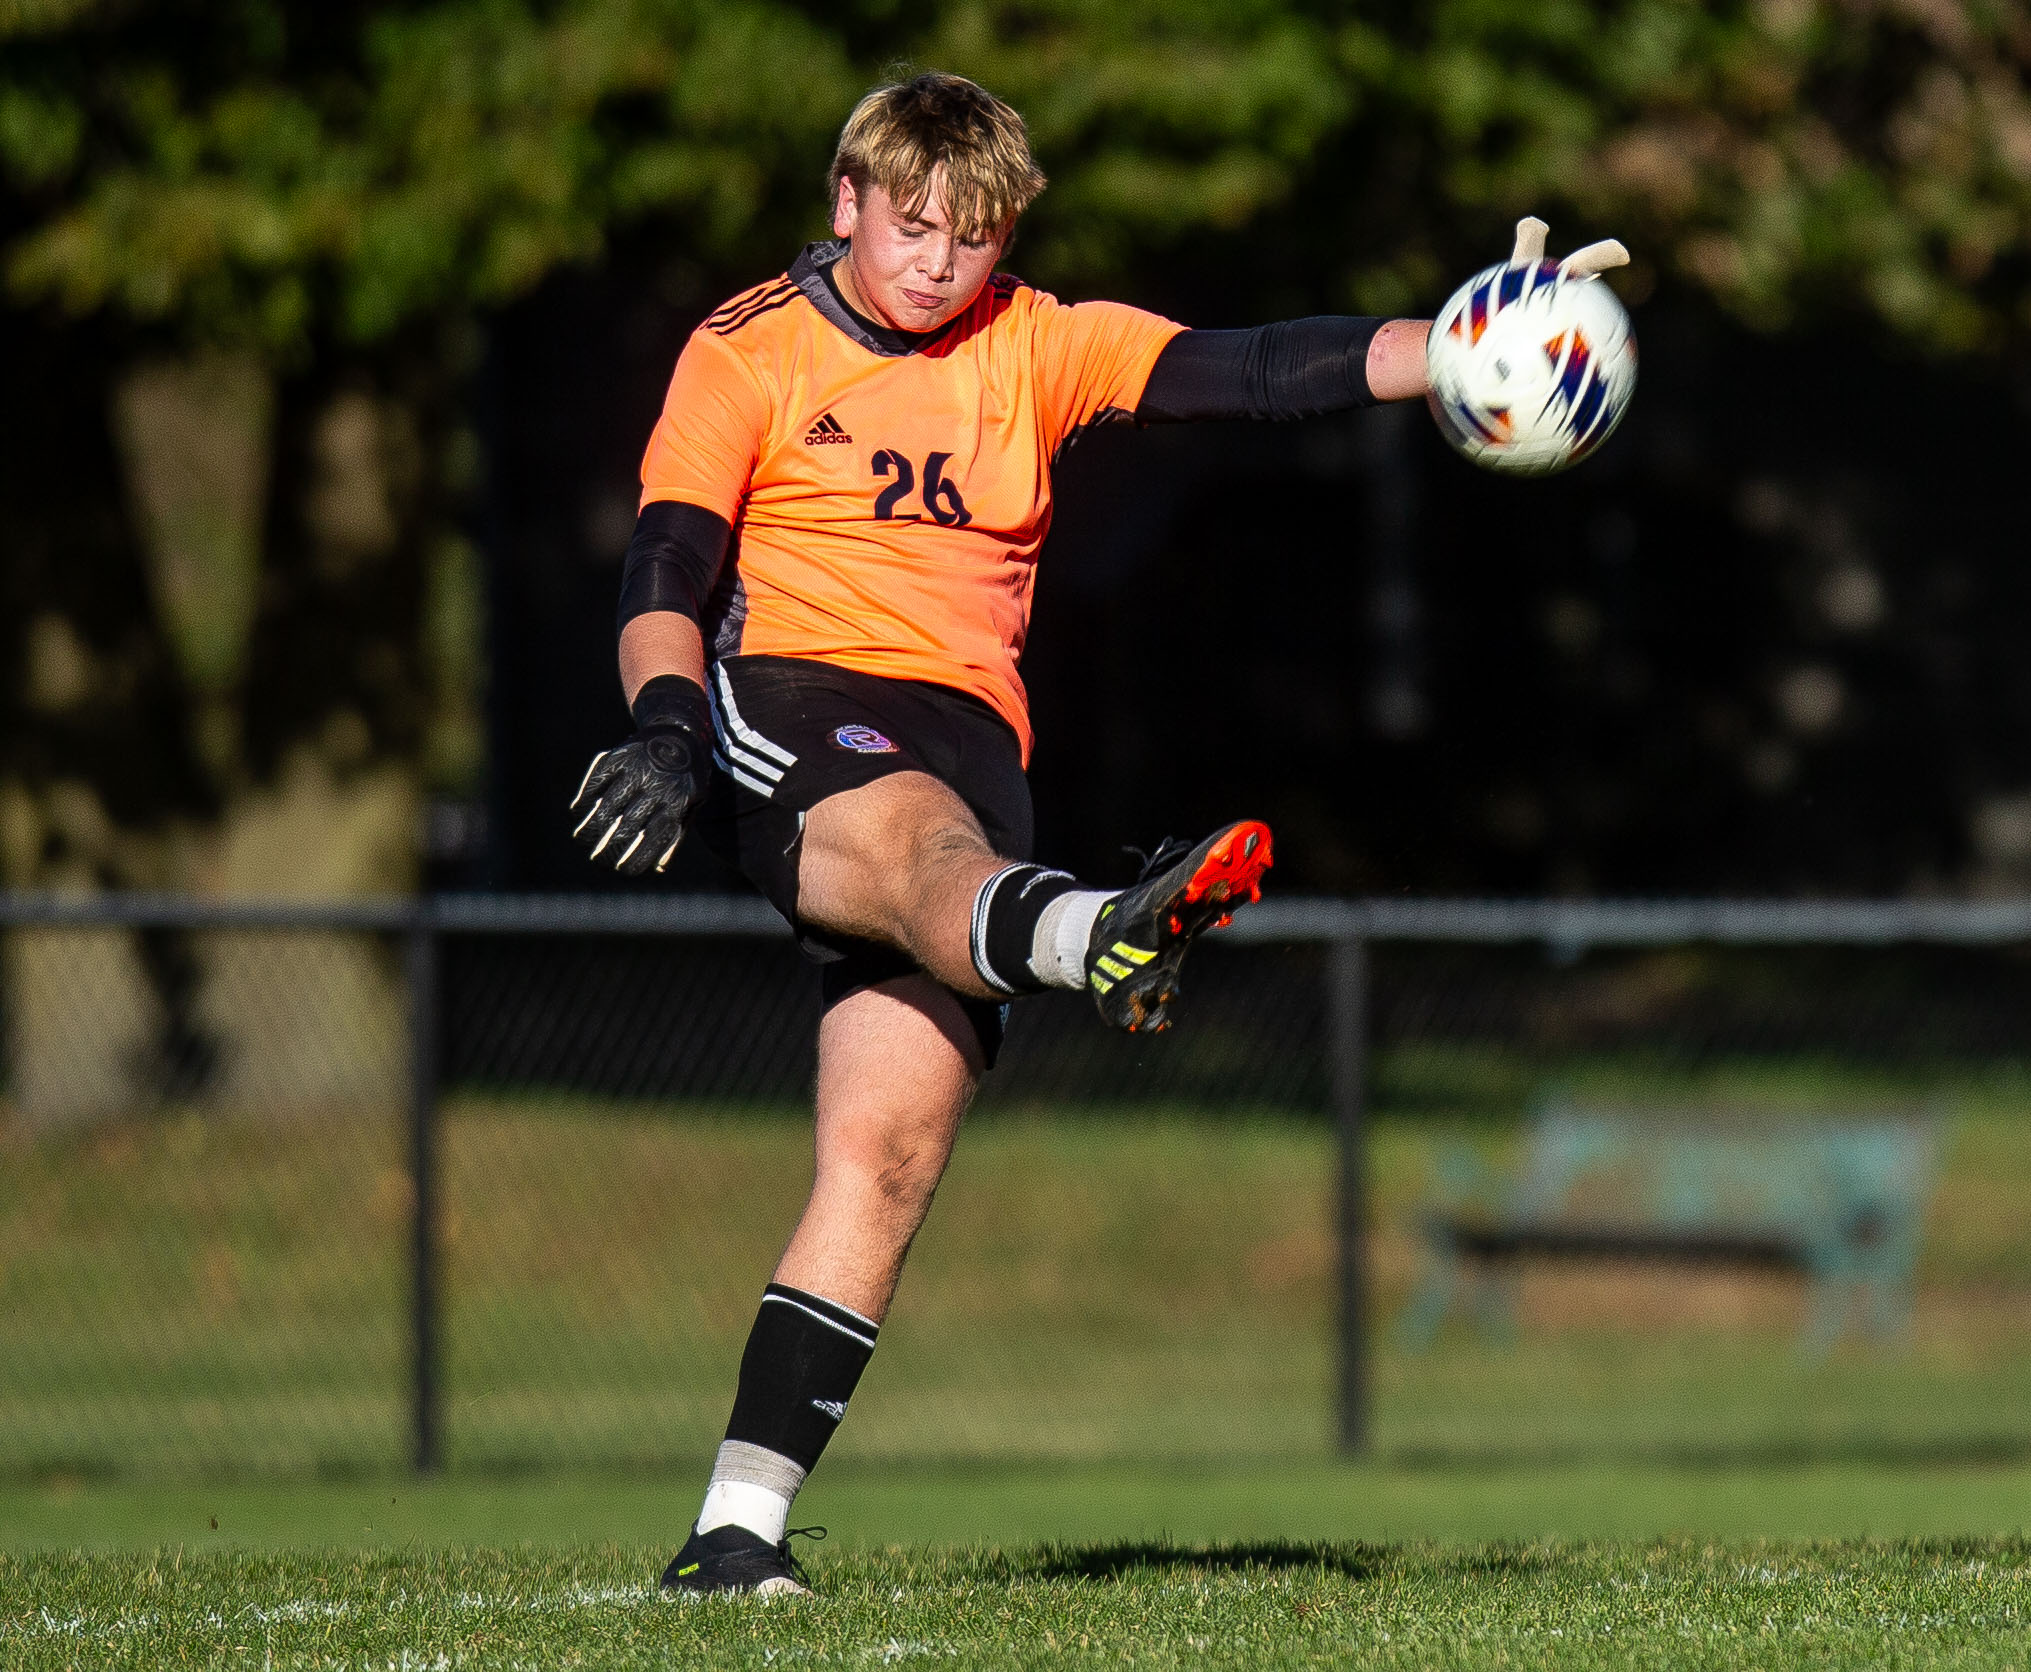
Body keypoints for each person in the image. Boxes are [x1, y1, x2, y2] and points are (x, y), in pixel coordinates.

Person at [567, 69, 1623, 1597]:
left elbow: (1254, 370)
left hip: (977, 749)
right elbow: (666, 562)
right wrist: (666, 728)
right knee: (935, 862)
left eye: (972, 236)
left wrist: (1464, 343)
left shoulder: (1038, 342)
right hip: (790, 710)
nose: (938, 262)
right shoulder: (749, 351)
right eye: (910, 225)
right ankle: (1085, 933)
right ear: (845, 205)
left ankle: (735, 1536)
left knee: (887, 1147)